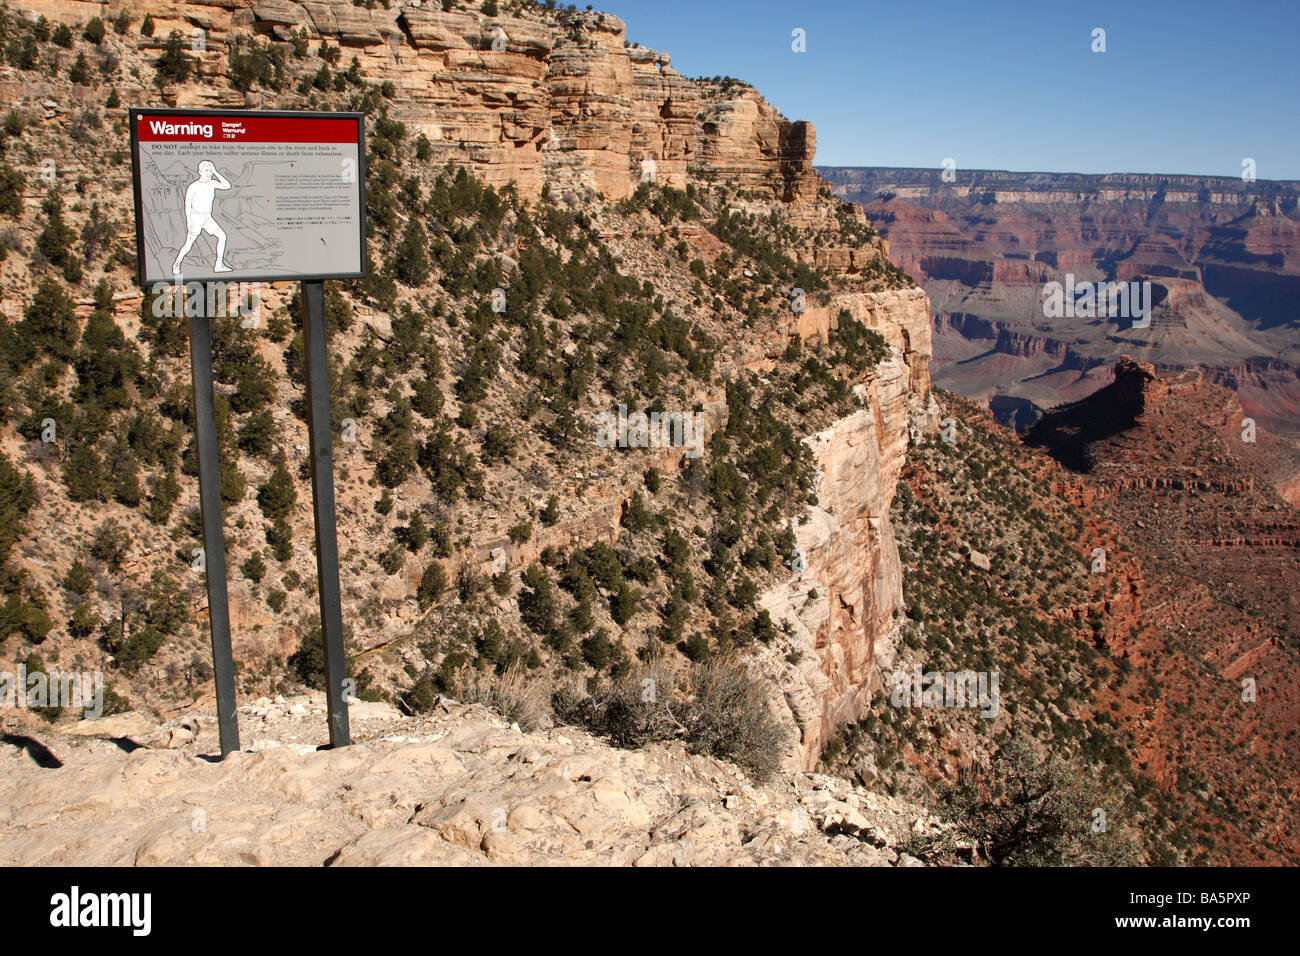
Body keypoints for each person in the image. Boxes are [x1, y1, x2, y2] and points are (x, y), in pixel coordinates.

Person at [172, 161, 232, 275]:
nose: (208, 173)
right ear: (200, 172)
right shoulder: (194, 186)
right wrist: (189, 221)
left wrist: (215, 172)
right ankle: (177, 263)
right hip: (196, 217)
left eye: (210, 171)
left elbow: (227, 185)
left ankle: (218, 265)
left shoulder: (212, 183)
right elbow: (187, 205)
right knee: (189, 243)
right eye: (206, 170)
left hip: (207, 217)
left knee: (222, 236)